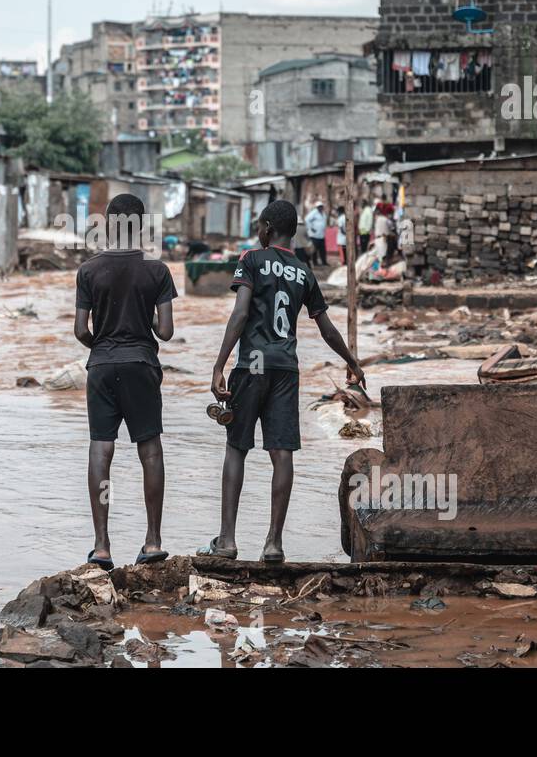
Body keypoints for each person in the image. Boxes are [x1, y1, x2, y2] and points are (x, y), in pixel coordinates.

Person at [201, 200, 365, 563]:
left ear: (267, 228)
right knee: (282, 453)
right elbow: (326, 328)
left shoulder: (252, 259)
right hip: (285, 369)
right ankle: (274, 544)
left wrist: (218, 365)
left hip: (252, 365)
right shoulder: (304, 272)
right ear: (293, 232)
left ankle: (226, 540)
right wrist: (352, 361)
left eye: (260, 225)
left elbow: (241, 312)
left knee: (236, 448)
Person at [74, 193, 177, 571]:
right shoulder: (157, 270)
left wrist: (102, 340)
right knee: (150, 451)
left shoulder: (89, 270)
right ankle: (152, 541)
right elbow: (165, 331)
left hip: (101, 366)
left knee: (101, 451)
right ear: (141, 226)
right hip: (142, 365)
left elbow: (80, 330)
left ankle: (102, 547)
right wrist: (142, 320)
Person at [304, 201, 328, 267]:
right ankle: (315, 263)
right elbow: (306, 219)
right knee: (314, 249)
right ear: (317, 207)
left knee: (322, 249)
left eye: (321, 206)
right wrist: (311, 228)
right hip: (314, 235)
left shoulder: (323, 213)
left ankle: (324, 262)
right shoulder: (314, 213)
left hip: (321, 235)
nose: (320, 208)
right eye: (319, 207)